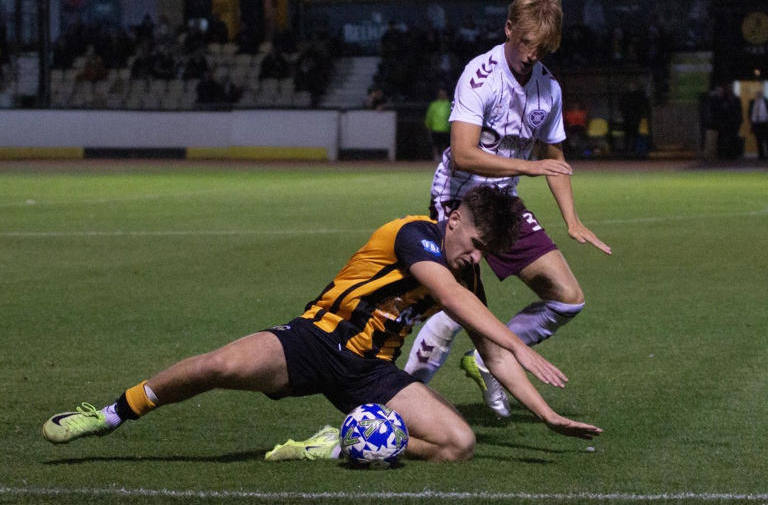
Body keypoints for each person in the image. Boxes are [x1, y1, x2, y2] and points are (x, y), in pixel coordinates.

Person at [42, 185, 602, 463]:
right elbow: (451, 298)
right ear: (452, 218)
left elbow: (496, 355)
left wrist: (548, 415)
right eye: (476, 245)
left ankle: (336, 444)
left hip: (372, 374)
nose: (477, 259)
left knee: (458, 442)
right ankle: (111, 414)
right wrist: (522, 344)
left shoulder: (465, 273)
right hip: (313, 341)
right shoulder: (415, 234)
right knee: (217, 365)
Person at [403, 0, 611, 419]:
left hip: (503, 201)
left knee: (567, 298)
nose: (532, 55)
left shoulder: (548, 87)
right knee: (459, 307)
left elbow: (555, 159)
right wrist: (526, 166)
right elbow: (462, 152)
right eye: (527, 43)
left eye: (542, 48)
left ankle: (487, 362)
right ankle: (400, 404)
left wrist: (572, 220)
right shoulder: (480, 76)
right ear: (509, 29)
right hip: (458, 199)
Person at [425, 87, 451, 161]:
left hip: (446, 129)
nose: (442, 95)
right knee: (435, 145)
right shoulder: (434, 105)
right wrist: (428, 126)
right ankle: (436, 158)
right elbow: (429, 116)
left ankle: (444, 158)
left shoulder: (448, 104)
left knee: (444, 145)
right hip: (435, 128)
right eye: (440, 94)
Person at [748, 90, 768, 160]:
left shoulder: (766, 101)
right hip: (756, 124)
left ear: (762, 94)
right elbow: (750, 113)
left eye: (760, 94)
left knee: (766, 140)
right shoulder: (752, 102)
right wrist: (751, 122)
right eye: (758, 94)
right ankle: (761, 156)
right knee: (758, 140)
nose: (759, 95)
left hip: (765, 123)